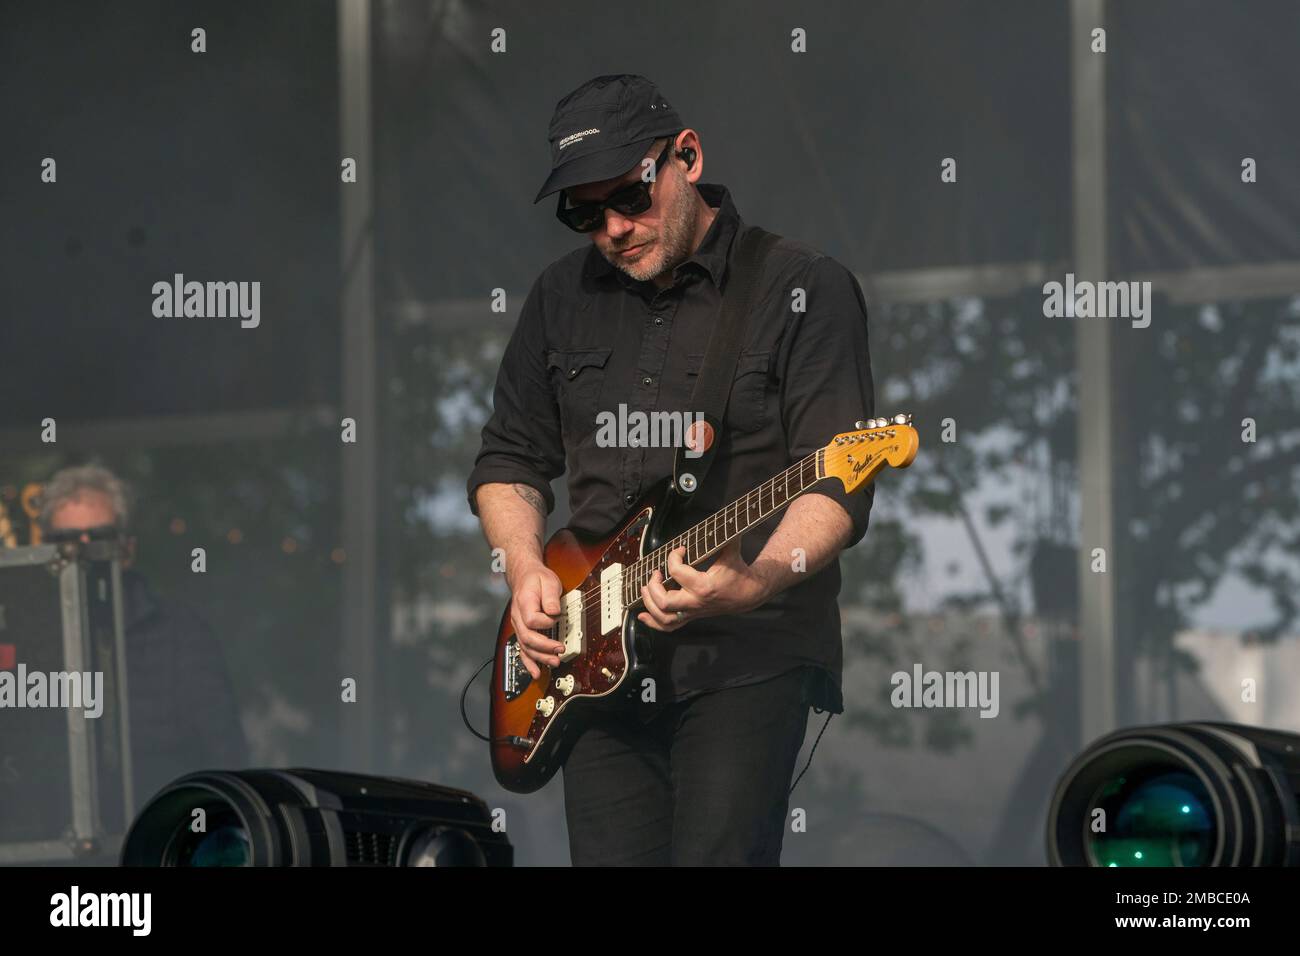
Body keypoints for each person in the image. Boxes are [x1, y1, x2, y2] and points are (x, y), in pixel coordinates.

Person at [467, 75, 875, 865]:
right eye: (585, 214)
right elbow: (509, 459)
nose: (614, 229)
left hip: (744, 655)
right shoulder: (560, 296)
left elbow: (838, 480)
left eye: (631, 196)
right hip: (587, 662)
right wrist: (523, 567)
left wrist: (753, 579)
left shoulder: (800, 288)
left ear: (685, 156)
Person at [39, 464, 247, 807]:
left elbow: (226, 761)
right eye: (66, 541)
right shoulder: (26, 642)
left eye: (99, 537)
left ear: (126, 547)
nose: (81, 553)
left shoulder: (182, 634)